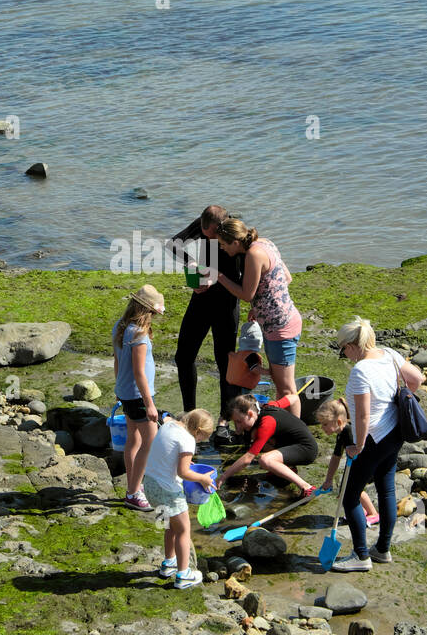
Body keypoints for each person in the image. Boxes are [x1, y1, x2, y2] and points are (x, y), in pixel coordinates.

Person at [331, 316, 424, 572]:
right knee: (386, 491)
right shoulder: (390, 354)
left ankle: (361, 556)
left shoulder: (361, 371)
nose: (345, 354)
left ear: (352, 345)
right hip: (395, 433)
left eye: (343, 349)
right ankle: (382, 549)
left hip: (373, 439)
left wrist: (357, 446)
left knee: (349, 497)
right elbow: (417, 380)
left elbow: (361, 415)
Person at [213, 218, 304, 419]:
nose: (222, 248)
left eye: (223, 244)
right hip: (285, 320)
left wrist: (219, 276)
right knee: (281, 386)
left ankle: (298, 435)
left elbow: (246, 294)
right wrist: (260, 306)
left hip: (280, 328)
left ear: (235, 243)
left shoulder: (253, 254)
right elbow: (286, 278)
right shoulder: (265, 243)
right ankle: (284, 428)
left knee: (288, 390)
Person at [170, 205, 244, 419]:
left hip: (227, 303)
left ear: (221, 229)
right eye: (205, 236)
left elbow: (246, 279)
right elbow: (173, 244)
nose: (209, 239)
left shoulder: (236, 233)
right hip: (201, 298)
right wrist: (190, 263)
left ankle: (224, 419)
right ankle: (189, 413)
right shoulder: (204, 223)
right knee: (183, 356)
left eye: (213, 237)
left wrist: (218, 277)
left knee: (225, 363)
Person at [144, 409, 216, 589]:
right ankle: (183, 575)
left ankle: (168, 563)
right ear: (198, 431)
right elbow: (182, 472)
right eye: (203, 437)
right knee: (183, 530)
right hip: (168, 491)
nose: (201, 441)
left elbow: (167, 452)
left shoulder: (168, 425)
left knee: (168, 526)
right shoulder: (188, 439)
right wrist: (203, 478)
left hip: (150, 486)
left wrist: (182, 460)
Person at [112, 284, 166, 512]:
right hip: (138, 396)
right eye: (153, 313)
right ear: (146, 311)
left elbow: (116, 361)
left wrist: (118, 387)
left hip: (125, 392)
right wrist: (150, 403)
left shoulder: (120, 327)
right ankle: (133, 492)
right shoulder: (140, 335)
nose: (154, 317)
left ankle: (133, 486)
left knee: (133, 439)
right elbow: (139, 372)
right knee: (150, 442)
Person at [216, 393, 317, 497]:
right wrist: (296, 423)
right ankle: (288, 468)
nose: (238, 426)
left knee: (265, 460)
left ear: (250, 414)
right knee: (257, 439)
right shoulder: (267, 406)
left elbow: (247, 459)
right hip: (292, 443)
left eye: (239, 422)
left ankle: (306, 487)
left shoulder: (267, 423)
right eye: (235, 423)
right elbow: (294, 397)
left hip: (306, 449)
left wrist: (224, 476)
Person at [315, 398, 380, 526]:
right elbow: (336, 457)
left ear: (338, 422)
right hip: (355, 464)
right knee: (346, 489)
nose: (322, 428)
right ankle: (359, 510)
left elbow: (363, 449)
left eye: (325, 424)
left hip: (364, 464)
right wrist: (328, 479)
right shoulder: (341, 434)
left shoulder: (349, 431)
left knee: (355, 490)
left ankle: (373, 514)